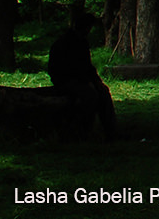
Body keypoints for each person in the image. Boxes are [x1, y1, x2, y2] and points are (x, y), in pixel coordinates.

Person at [47, 12, 118, 140]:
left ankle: (110, 130)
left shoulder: (81, 42)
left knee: (103, 92)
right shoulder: (64, 44)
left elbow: (87, 67)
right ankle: (83, 131)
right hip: (65, 80)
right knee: (90, 95)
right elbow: (67, 69)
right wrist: (86, 82)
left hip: (78, 79)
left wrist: (97, 81)